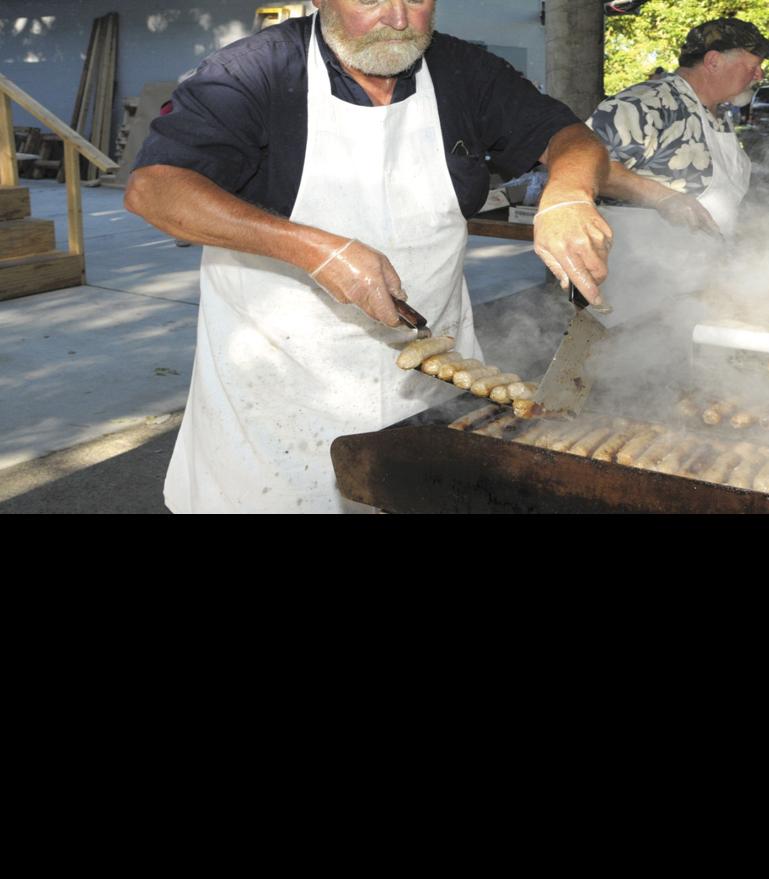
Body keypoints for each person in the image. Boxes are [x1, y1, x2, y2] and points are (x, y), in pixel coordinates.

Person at [126, 0, 615, 513]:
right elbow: (155, 190)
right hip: (282, 394)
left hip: (435, 385)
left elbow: (571, 137)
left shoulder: (465, 70)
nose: (398, 18)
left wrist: (569, 194)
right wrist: (316, 249)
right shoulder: (253, 71)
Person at [591, 18, 769, 241]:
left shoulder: (718, 116)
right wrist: (662, 197)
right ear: (713, 61)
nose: (760, 76)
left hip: (700, 267)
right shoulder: (646, 103)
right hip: (638, 267)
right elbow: (586, 167)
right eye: (753, 66)